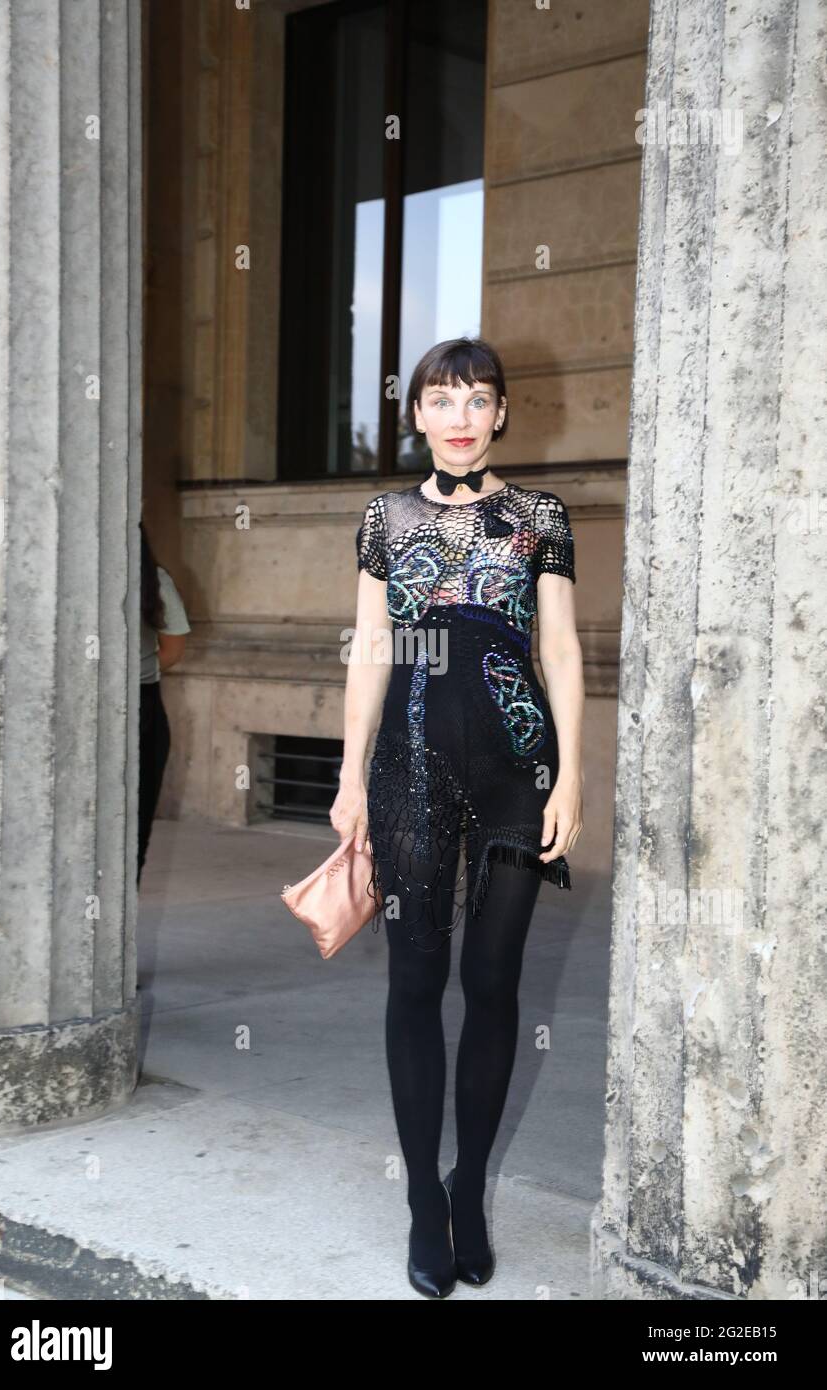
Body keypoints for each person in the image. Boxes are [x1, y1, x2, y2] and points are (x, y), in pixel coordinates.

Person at [331, 336, 584, 1297]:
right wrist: (352, 777)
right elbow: (370, 651)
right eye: (444, 399)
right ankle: (420, 1210)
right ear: (419, 414)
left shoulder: (540, 518)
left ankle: (468, 1184)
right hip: (409, 766)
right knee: (416, 978)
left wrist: (573, 778)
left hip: (520, 768)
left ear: (503, 413)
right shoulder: (384, 519)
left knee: (492, 980)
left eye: (480, 399)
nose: (462, 416)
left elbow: (559, 649)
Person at [138, 522, 191, 885]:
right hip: (140, 703)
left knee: (135, 823)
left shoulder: (154, 580)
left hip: (143, 707)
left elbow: (173, 649)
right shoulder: (154, 577)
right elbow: (171, 652)